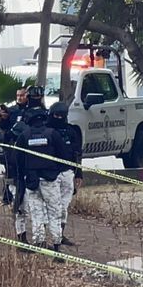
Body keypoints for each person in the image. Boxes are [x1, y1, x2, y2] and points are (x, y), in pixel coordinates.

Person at [12, 103, 68, 257]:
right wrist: (54, 171)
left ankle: (39, 244)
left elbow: (18, 160)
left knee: (36, 214)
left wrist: (25, 175)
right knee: (54, 213)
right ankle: (56, 247)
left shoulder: (24, 136)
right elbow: (64, 156)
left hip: (31, 182)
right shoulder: (52, 134)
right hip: (50, 181)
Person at [47, 101, 83, 247]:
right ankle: (51, 237)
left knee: (63, 206)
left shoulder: (71, 131)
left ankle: (60, 235)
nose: (59, 118)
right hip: (50, 174)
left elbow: (77, 154)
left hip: (68, 172)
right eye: (56, 115)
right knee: (51, 207)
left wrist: (79, 173)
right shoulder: (46, 131)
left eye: (62, 116)